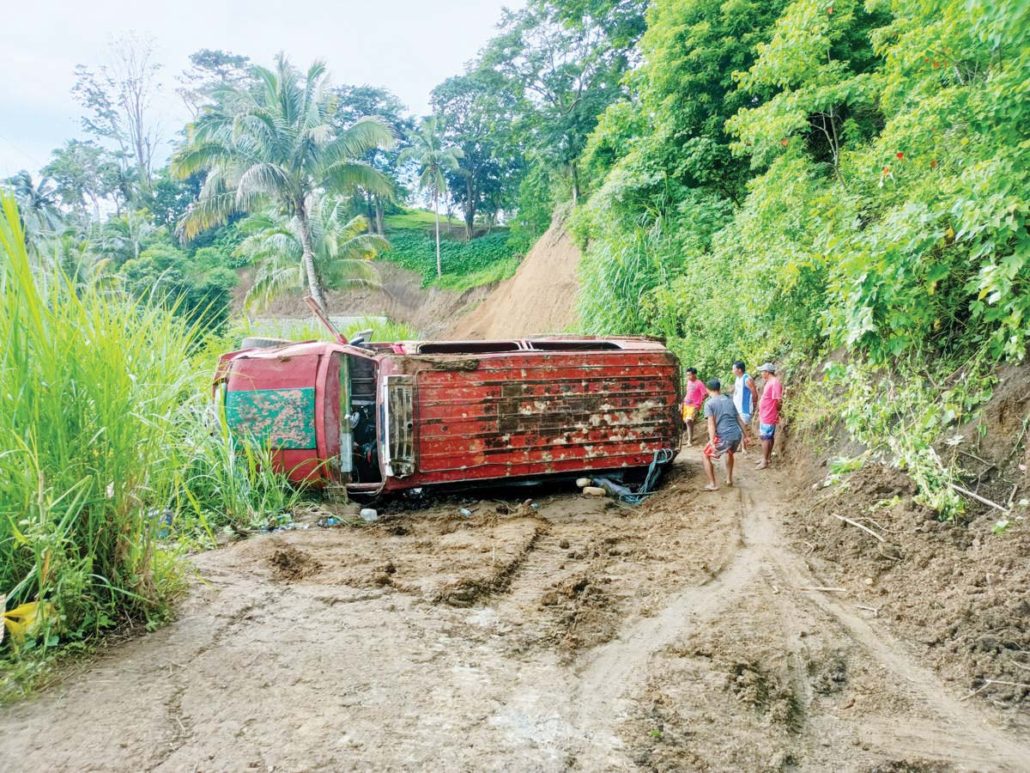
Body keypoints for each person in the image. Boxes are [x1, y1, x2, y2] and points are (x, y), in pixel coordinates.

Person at [701, 378, 749, 491]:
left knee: (705, 455)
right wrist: (746, 435)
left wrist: (712, 440)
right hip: (736, 435)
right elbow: (739, 419)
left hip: (724, 436)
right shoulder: (729, 400)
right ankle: (729, 479)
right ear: (719, 388)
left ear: (707, 389)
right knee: (729, 452)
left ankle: (712, 484)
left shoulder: (709, 403)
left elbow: (711, 424)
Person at [755, 363, 783, 470]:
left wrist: (776, 411)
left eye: (762, 371)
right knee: (768, 436)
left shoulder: (774, 383)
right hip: (766, 413)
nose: (761, 374)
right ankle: (767, 457)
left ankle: (764, 461)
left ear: (767, 372)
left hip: (769, 414)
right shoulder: (770, 382)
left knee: (765, 437)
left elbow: (778, 400)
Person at [681, 367, 707, 446]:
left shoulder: (699, 383)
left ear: (694, 374)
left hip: (694, 405)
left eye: (689, 375)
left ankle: (689, 441)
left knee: (689, 421)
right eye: (687, 375)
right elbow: (688, 393)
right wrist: (683, 402)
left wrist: (699, 402)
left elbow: (705, 394)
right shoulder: (688, 382)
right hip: (686, 404)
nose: (688, 377)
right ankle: (690, 439)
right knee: (687, 422)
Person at [732, 361, 757, 426]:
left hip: (744, 411)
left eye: (734, 369)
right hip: (738, 410)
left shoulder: (747, 379)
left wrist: (754, 406)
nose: (733, 371)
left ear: (739, 370)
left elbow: (754, 393)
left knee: (743, 431)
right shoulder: (737, 378)